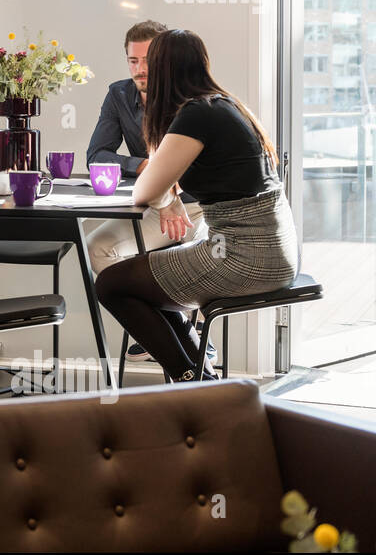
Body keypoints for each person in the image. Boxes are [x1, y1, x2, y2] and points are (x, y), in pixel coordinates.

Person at [94, 30, 298, 382]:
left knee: (111, 285)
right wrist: (169, 197)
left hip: (243, 258)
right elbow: (163, 175)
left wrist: (166, 196)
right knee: (141, 284)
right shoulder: (221, 104)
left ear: (163, 71)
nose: (141, 72)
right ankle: (200, 381)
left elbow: (143, 191)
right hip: (273, 253)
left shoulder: (196, 115)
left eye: (149, 64)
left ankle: (192, 382)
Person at [84, 19, 209, 365]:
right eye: (133, 61)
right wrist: (147, 168)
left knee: (186, 254)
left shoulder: (189, 99)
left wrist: (163, 184)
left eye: (149, 62)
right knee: (96, 247)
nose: (140, 70)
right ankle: (176, 325)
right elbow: (97, 156)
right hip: (150, 203)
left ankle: (179, 337)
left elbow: (186, 166)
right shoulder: (119, 94)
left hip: (195, 206)